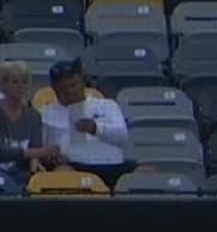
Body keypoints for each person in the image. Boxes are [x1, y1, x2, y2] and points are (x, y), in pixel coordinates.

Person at [39, 59, 131, 187]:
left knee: (146, 172)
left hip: (113, 164)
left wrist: (96, 128)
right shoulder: (46, 113)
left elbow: (122, 136)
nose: (70, 91)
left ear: (82, 83)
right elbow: (42, 151)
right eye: (63, 88)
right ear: (54, 89)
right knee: (62, 173)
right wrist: (52, 157)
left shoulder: (107, 105)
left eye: (73, 85)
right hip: (75, 166)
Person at [0, 61, 58, 183]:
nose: (20, 86)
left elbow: (35, 146)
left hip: (22, 172)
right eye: (15, 82)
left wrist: (35, 162)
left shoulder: (34, 116)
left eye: (24, 82)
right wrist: (36, 153)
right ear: (3, 85)